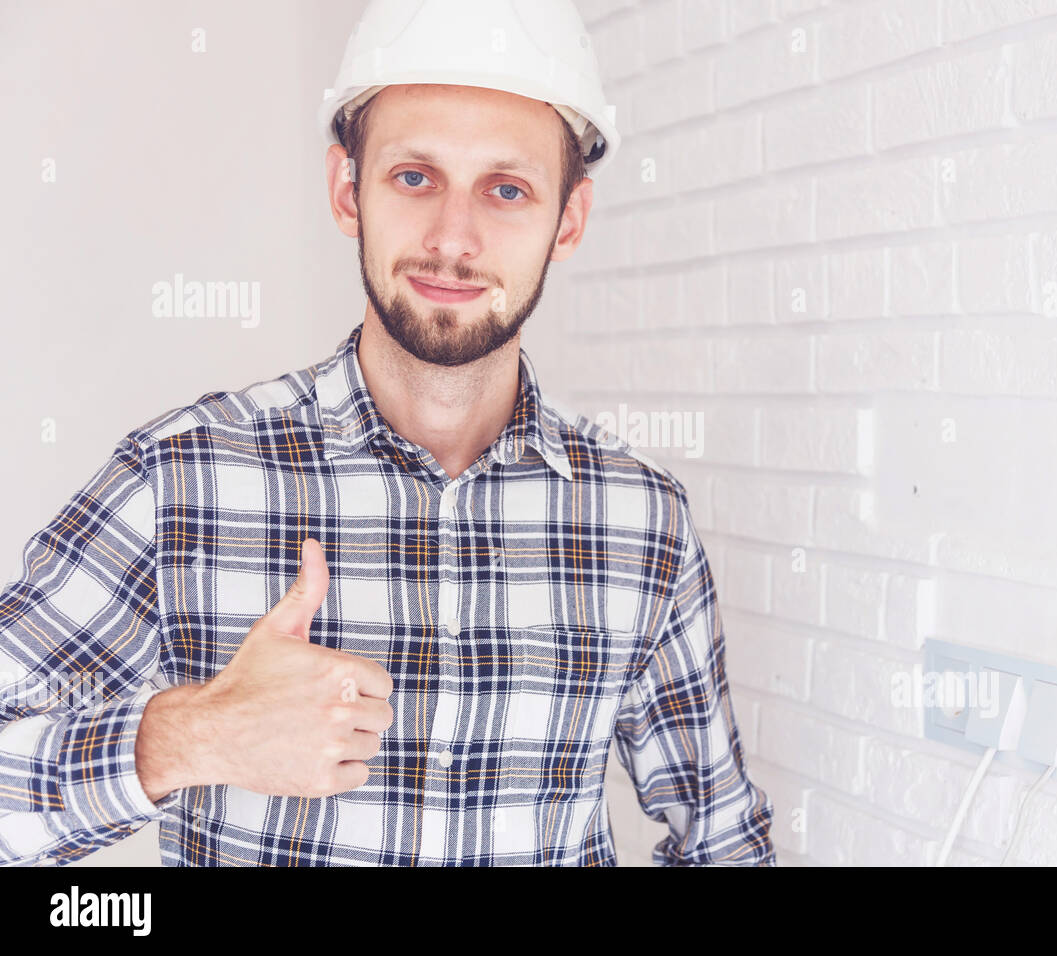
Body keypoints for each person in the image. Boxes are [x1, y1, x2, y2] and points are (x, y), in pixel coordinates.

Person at [0, 0, 774, 867]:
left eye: (506, 189)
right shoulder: (181, 478)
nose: (454, 238)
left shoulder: (641, 523)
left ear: (569, 220)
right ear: (346, 191)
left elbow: (723, 841)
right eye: (415, 177)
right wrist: (192, 736)